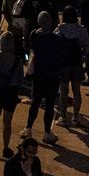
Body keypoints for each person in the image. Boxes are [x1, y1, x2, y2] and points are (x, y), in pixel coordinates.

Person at [22, 12, 64, 142]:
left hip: (38, 73)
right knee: (50, 104)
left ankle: (28, 127)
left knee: (35, 102)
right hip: (52, 74)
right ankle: (47, 132)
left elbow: (30, 48)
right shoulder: (56, 39)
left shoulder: (34, 35)